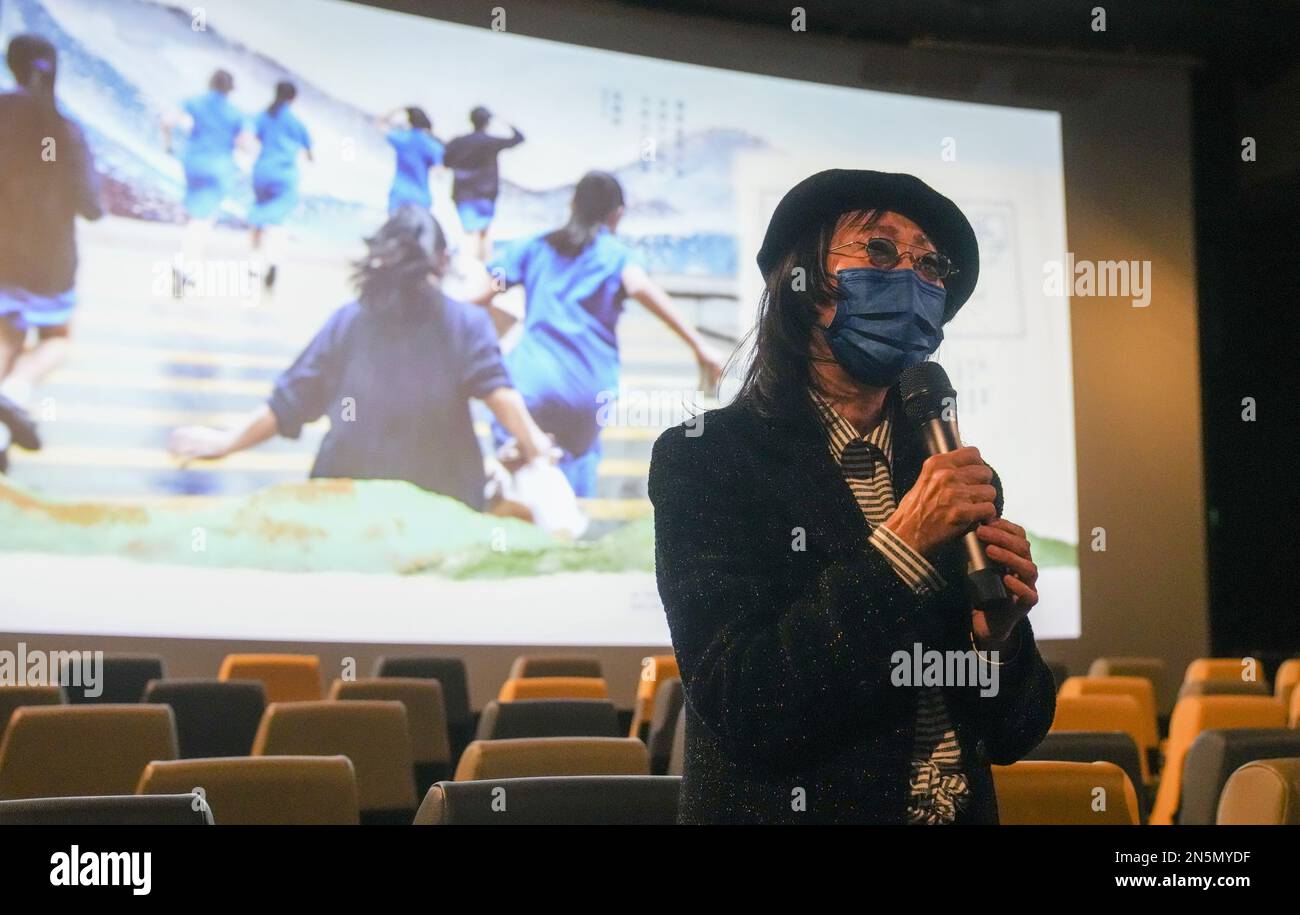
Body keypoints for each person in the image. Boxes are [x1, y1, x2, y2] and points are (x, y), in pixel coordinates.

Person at [648, 169, 1055, 824]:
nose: (914, 279)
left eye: (931, 265)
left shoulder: (950, 473)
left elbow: (1015, 733)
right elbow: (744, 703)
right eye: (882, 251)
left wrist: (998, 643)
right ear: (803, 284)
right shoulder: (708, 458)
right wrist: (902, 551)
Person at [169, 207, 552, 511]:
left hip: (344, 499)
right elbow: (501, 397)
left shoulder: (348, 321)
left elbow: (289, 402)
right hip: (441, 501)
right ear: (442, 259)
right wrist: (536, 450)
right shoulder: (466, 323)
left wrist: (226, 443)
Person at [475, 171, 724, 498]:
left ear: (573, 203)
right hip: (587, 392)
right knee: (575, 472)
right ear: (617, 214)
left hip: (529, 384)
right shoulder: (617, 255)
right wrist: (699, 346)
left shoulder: (536, 246)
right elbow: (638, 286)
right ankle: (569, 529)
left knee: (515, 479)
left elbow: (480, 294)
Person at [0, 34, 103, 470]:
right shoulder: (65, 128)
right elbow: (91, 207)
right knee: (57, 339)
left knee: (6, 332)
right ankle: (13, 393)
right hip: (51, 262)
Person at [163, 69, 248, 296]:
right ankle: (185, 266)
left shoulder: (195, 102)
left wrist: (169, 146)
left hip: (193, 162)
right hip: (220, 168)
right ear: (230, 90)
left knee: (195, 215)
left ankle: (186, 265)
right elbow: (245, 144)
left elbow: (168, 122)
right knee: (204, 219)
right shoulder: (236, 113)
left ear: (210, 83)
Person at [248, 80, 312, 290]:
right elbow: (309, 153)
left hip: (263, 171)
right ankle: (273, 262)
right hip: (285, 174)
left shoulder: (263, 116)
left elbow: (252, 138)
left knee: (258, 219)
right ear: (293, 99)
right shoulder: (296, 122)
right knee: (277, 222)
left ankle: (254, 264)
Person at [443, 106, 523, 260]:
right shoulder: (490, 142)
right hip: (486, 194)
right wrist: (502, 119)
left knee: (469, 232)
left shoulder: (459, 142)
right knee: (484, 233)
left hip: (463, 193)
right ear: (487, 122)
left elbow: (446, 162)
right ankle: (486, 272)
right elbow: (519, 138)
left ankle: (469, 271)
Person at [377, 106, 443, 216]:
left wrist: (394, 111)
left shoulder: (402, 137)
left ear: (409, 122)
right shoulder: (433, 146)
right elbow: (439, 173)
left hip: (399, 196)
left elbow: (380, 125)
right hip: (421, 199)